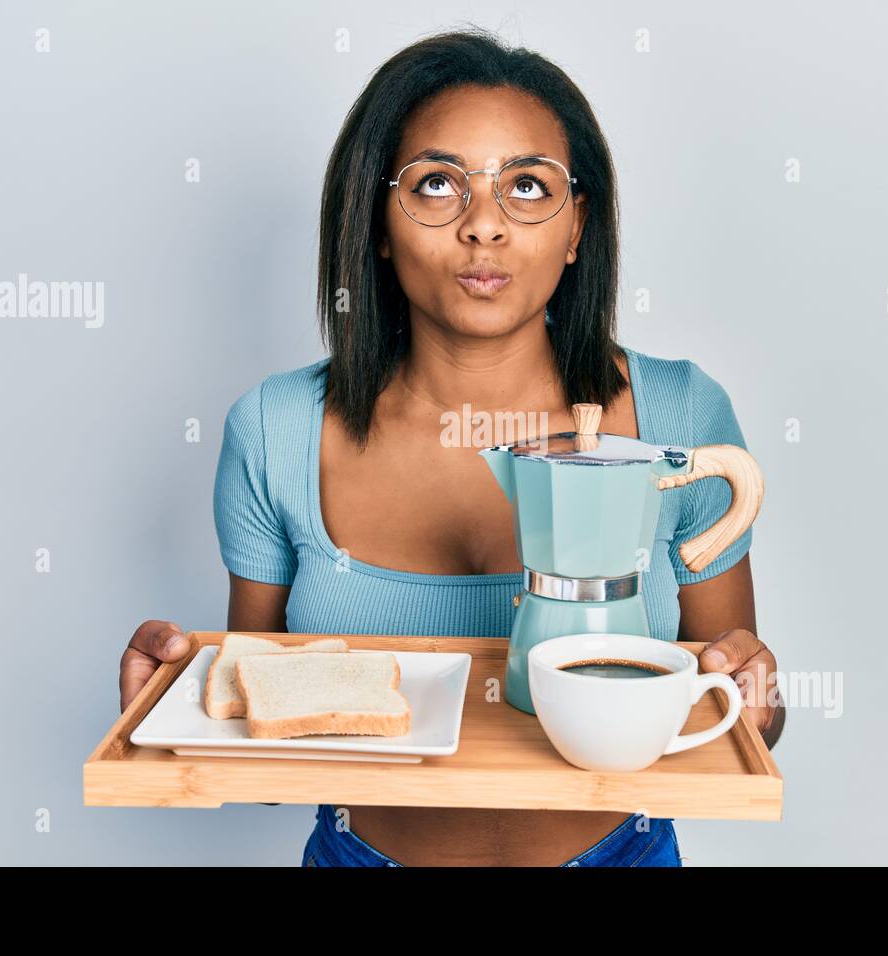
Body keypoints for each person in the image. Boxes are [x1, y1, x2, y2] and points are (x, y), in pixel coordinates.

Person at [118, 27, 784, 867]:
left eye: (528, 186)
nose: (485, 227)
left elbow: (745, 715)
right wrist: (172, 707)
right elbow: (270, 761)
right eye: (437, 184)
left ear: (577, 227)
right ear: (378, 226)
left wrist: (758, 690)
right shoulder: (274, 430)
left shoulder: (679, 411)